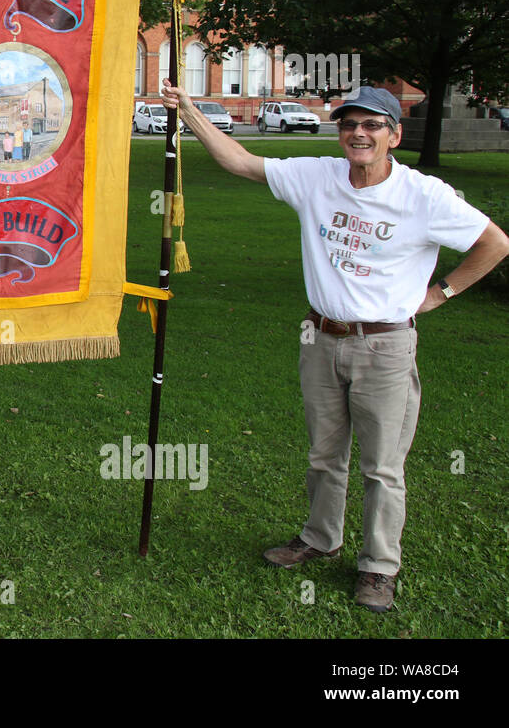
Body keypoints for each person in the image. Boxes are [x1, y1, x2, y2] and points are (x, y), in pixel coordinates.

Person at [161, 80, 509, 612]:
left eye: (372, 125)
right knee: (325, 454)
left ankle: (378, 567)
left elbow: (495, 242)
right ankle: (321, 538)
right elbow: (240, 162)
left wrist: (442, 293)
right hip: (320, 338)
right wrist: (188, 110)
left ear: (393, 134)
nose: (357, 134)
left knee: (382, 466)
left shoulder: (424, 195)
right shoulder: (317, 176)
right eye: (349, 124)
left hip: (385, 347)